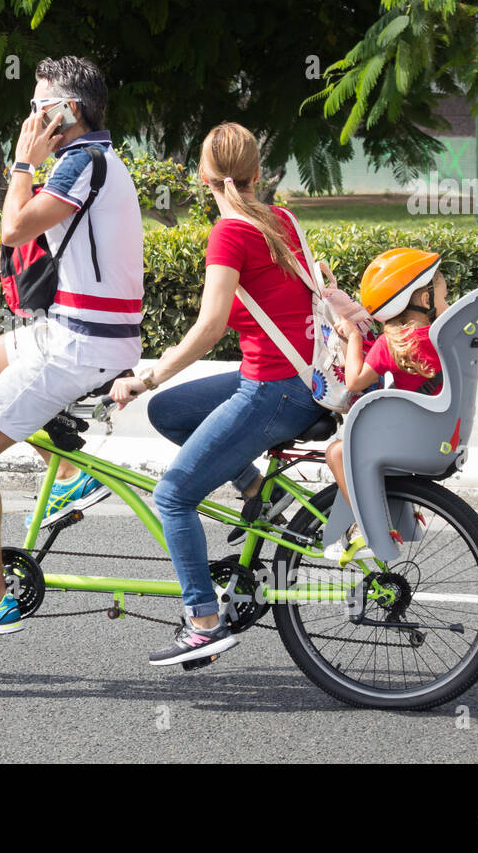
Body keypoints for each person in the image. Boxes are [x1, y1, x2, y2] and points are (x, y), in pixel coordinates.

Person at [0, 56, 145, 641]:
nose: (28, 116)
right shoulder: (91, 163)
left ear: (65, 112)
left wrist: (23, 163)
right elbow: (32, 244)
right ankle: (69, 472)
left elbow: (14, 228)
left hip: (82, 343)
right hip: (80, 331)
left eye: (37, 106)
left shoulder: (77, 165)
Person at [110, 121, 327, 667]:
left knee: (173, 496)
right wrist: (159, 391)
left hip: (273, 392)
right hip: (298, 381)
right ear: (258, 173)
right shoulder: (283, 220)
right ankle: (260, 490)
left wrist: (146, 376)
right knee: (171, 411)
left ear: (202, 177)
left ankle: (204, 623)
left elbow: (208, 330)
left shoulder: (230, 232)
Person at [323, 247, 478, 562]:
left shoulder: (388, 346)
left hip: (412, 442)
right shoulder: (444, 337)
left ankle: (366, 529)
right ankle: (394, 514)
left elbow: (353, 382)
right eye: (444, 299)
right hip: (445, 440)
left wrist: (352, 336)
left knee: (338, 452)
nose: (447, 305)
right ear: (424, 300)